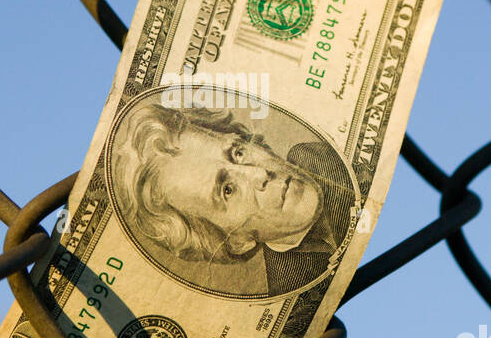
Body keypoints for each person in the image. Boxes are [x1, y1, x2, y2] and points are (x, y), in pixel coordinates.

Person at [110, 101, 355, 296]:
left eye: (237, 153)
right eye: (228, 190)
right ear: (236, 242)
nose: (260, 173)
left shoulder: (323, 158)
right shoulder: (291, 286)